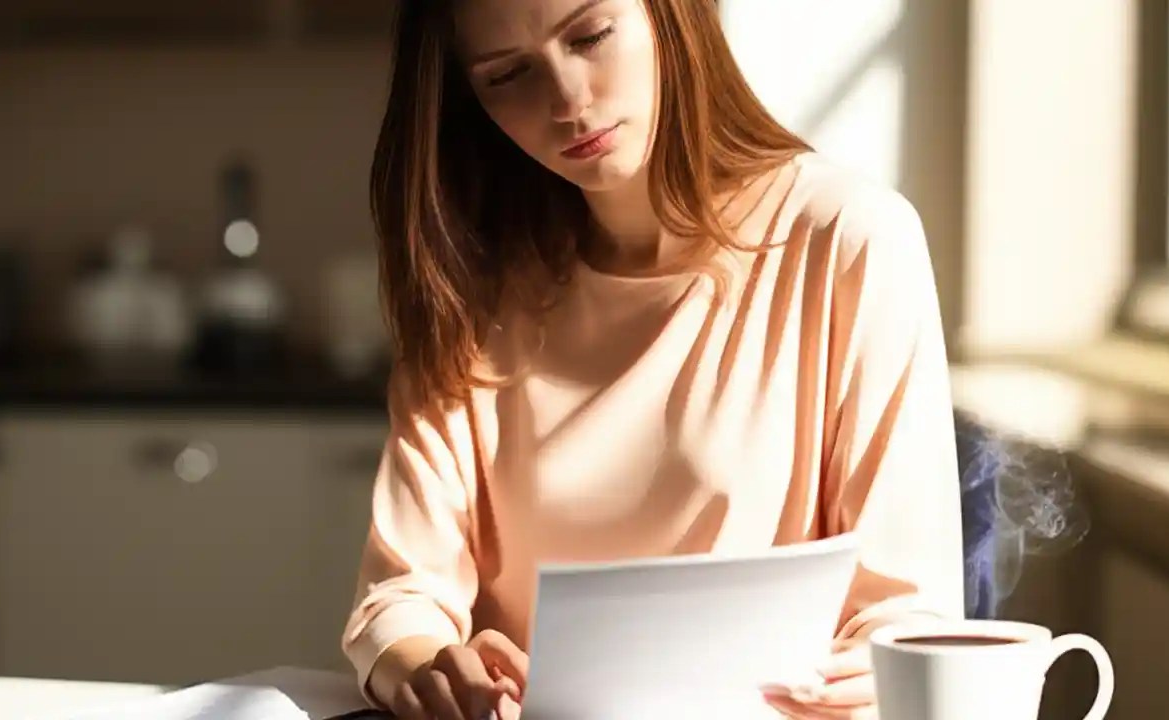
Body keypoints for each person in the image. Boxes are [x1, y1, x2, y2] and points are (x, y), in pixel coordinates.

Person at [341, 0, 965, 717]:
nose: (568, 99)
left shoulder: (849, 241)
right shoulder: (475, 286)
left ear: (672, 16)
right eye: (509, 74)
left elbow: (907, 616)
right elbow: (398, 598)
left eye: (591, 35)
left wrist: (878, 669)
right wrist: (423, 669)